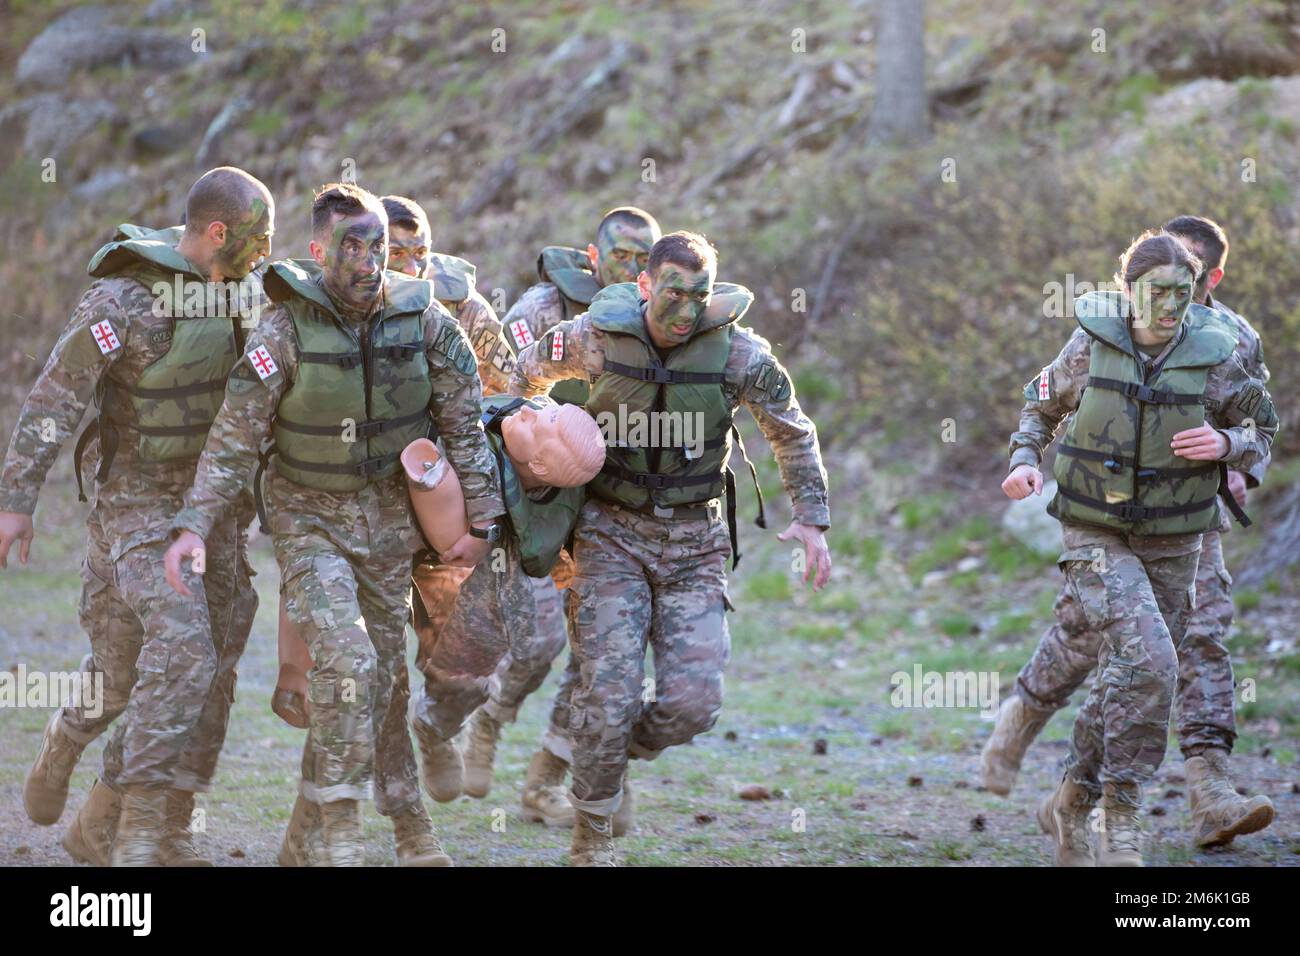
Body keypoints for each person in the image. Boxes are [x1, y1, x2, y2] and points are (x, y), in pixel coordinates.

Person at [163, 182, 504, 866]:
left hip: (387, 522)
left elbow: (466, 427)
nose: (370, 258)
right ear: (318, 250)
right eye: (352, 245)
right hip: (308, 517)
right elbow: (233, 438)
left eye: (378, 244)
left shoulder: (429, 322)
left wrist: (485, 518)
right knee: (348, 661)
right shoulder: (285, 331)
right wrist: (194, 524)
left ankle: (356, 831)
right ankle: (343, 828)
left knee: (382, 679)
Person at [509, 230, 833, 865]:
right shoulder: (595, 339)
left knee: (693, 704)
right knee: (607, 693)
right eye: (673, 294)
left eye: (699, 296)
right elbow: (524, 378)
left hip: (694, 544)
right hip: (609, 534)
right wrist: (533, 447)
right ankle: (592, 839)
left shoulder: (737, 354)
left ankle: (614, 750)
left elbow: (791, 431)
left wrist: (812, 517)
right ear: (644, 287)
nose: (685, 311)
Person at [1, 167, 273, 865]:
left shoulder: (245, 297)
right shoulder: (122, 300)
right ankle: (67, 740)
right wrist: (15, 502)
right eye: (255, 238)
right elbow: (55, 397)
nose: (265, 252)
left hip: (213, 510)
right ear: (218, 233)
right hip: (136, 509)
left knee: (207, 670)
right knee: (136, 671)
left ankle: (138, 821)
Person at [982, 216, 1276, 849]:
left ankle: (1181, 792)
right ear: (1129, 286)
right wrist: (1024, 461)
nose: (1172, 301)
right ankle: (1038, 749)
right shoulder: (1093, 341)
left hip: (1185, 527)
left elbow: (1260, 430)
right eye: (1158, 288)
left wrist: (1230, 447)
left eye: (1187, 284)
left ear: (1207, 281)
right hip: (1097, 524)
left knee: (1169, 655)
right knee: (1099, 644)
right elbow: (1041, 403)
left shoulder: (1227, 346)